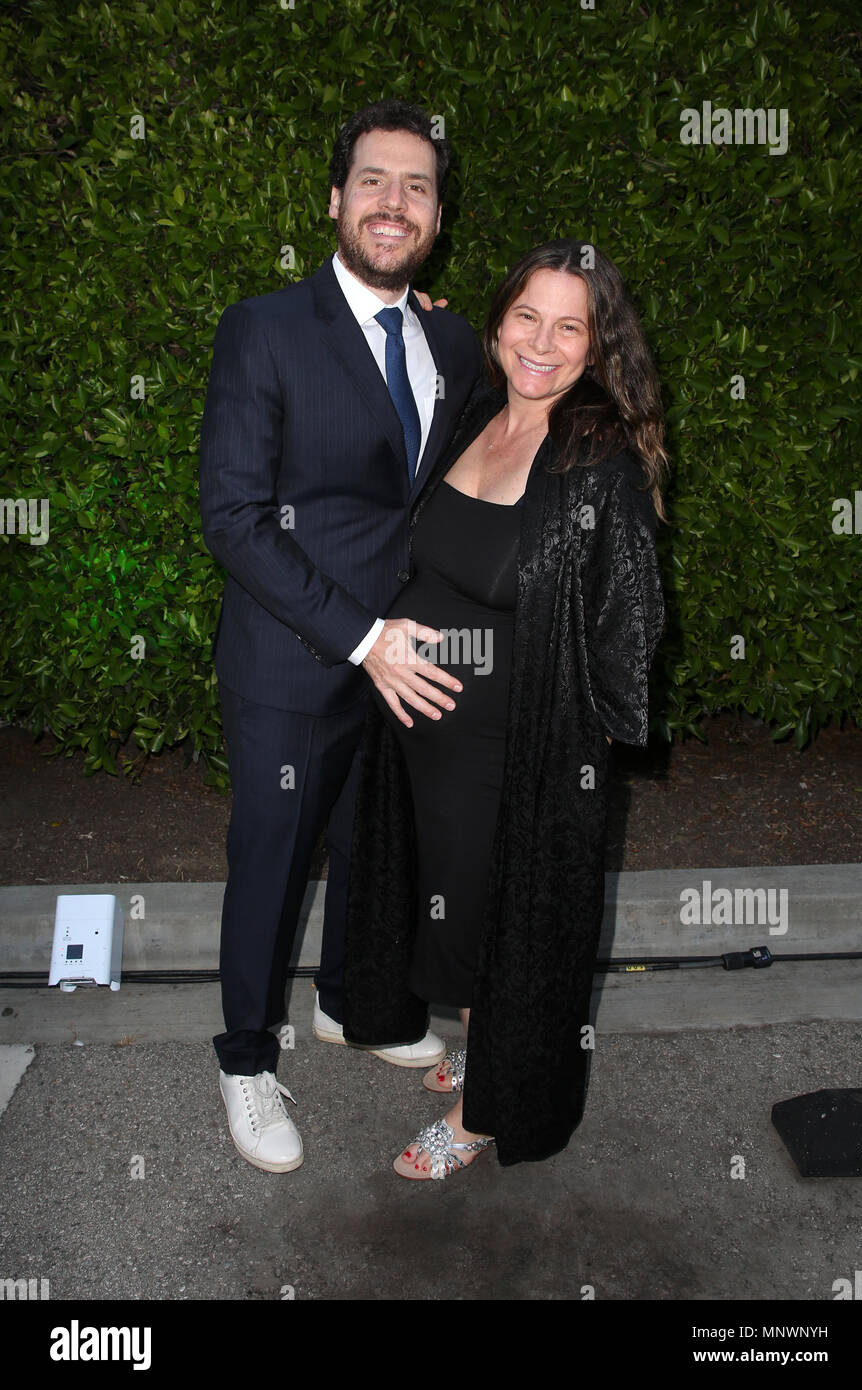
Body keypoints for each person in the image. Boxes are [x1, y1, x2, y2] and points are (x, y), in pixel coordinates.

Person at [199, 99, 483, 1173]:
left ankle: (355, 1008)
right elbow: (231, 515)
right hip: (293, 657)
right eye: (372, 180)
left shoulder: (451, 338)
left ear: (437, 214)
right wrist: (360, 634)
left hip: (401, 662)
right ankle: (242, 1060)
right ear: (334, 199)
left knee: (378, 853)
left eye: (414, 186)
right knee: (269, 864)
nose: (392, 202)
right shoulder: (263, 328)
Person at [342, 239, 668, 1177]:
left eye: (571, 326)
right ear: (496, 321)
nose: (543, 342)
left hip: (515, 750)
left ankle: (489, 1111)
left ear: (598, 347)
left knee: (505, 923)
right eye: (526, 315)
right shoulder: (477, 410)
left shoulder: (596, 457)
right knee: (452, 913)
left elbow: (632, 615)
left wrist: (585, 760)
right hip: (421, 739)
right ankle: (487, 1053)